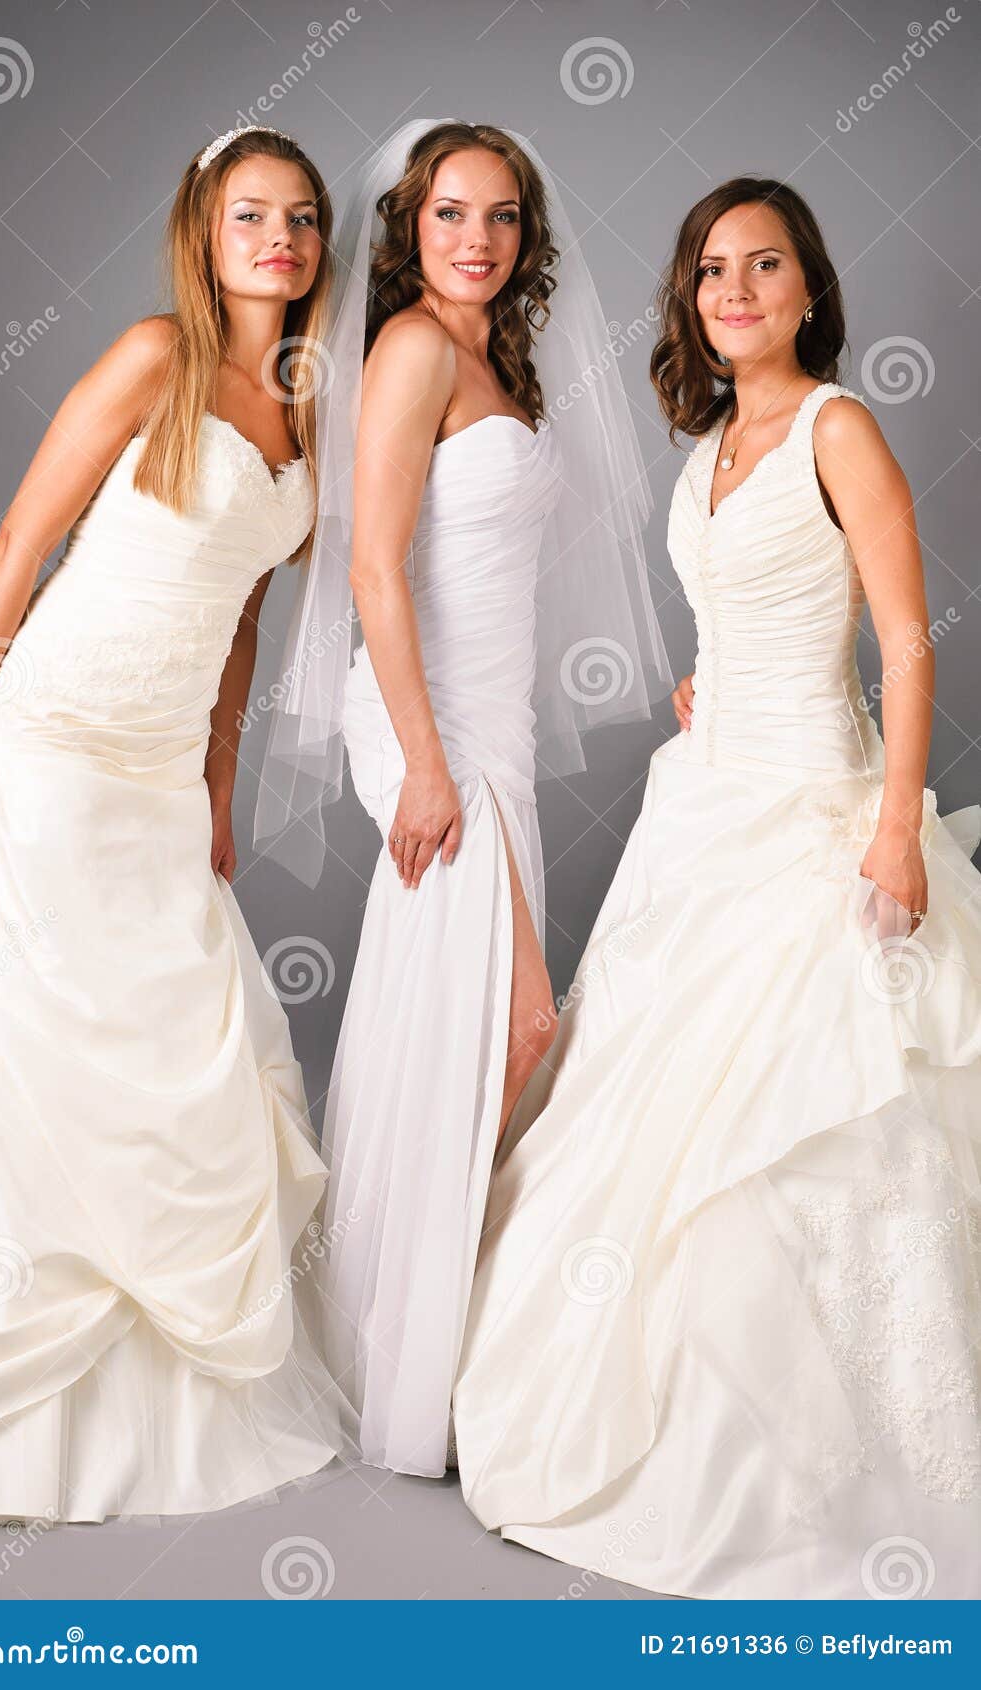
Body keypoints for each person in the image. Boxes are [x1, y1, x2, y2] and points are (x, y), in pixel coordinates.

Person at [452, 177, 981, 1599]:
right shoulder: (708, 455)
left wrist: (891, 828)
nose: (734, 289)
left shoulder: (836, 428)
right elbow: (745, 612)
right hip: (706, 802)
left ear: (810, 290)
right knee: (637, 1101)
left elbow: (905, 640)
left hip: (816, 814)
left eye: (764, 266)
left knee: (801, 1114)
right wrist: (709, 676)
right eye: (710, 271)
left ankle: (810, 1458)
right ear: (692, 299)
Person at [0, 125, 356, 1524]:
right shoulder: (150, 356)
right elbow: (17, 542)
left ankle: (140, 1374)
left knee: (163, 1034)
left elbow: (246, 617)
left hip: (163, 771)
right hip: (52, 735)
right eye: (249, 217)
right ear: (204, 231)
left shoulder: (305, 402)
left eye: (297, 219)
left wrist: (219, 783)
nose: (275, 240)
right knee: (28, 1028)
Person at [256, 119, 672, 1477]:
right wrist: (425, 764)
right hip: (426, 724)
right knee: (516, 1018)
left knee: (457, 1023)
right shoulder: (415, 350)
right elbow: (374, 566)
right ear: (410, 228)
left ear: (525, 234)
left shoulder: (498, 354)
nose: (478, 240)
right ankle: (401, 1361)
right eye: (451, 216)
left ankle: (409, 1348)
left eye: (501, 217)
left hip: (491, 720)